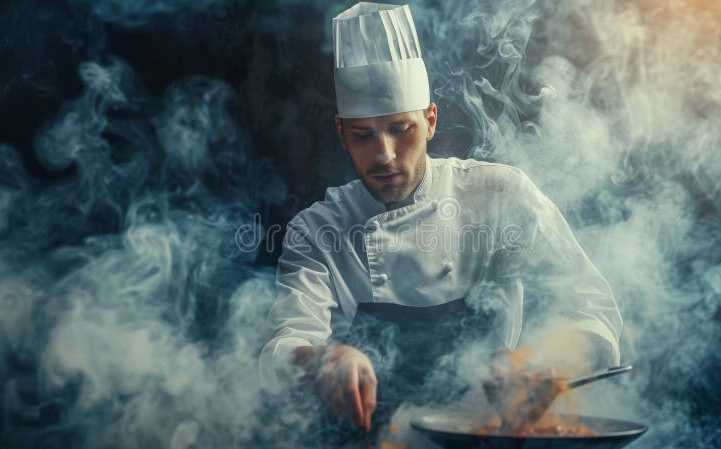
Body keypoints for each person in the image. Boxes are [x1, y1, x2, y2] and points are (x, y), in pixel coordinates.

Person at [259, 1, 622, 439]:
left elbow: (592, 310)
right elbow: (281, 348)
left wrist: (545, 362)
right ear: (341, 133)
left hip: (493, 436)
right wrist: (318, 361)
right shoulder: (316, 232)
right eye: (363, 135)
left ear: (430, 121)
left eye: (400, 129)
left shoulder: (500, 194)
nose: (384, 155)